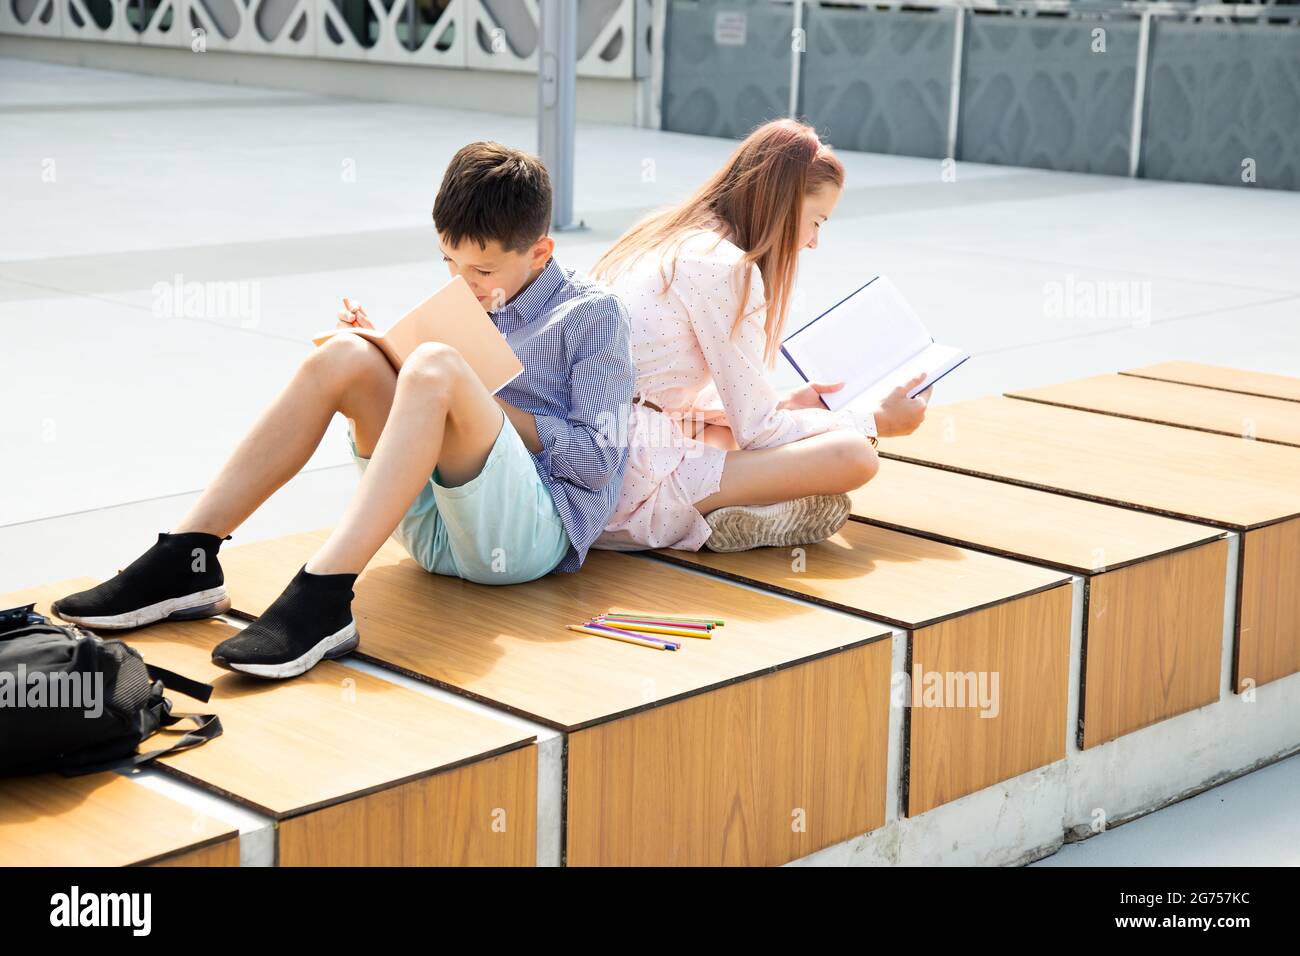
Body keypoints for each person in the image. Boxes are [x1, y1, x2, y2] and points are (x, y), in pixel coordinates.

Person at [52, 142, 634, 680]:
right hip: (438, 536)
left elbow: (599, 460)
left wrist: (473, 395)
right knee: (347, 357)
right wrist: (388, 353)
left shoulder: (593, 314)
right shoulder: (468, 294)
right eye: (449, 265)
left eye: (482, 271)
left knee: (434, 365)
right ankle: (188, 557)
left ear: (540, 251)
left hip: (525, 540)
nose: (465, 283)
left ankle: (325, 593)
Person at [590, 119, 930, 553]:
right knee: (855, 454)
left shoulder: (671, 235)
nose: (813, 243)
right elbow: (759, 433)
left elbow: (658, 385)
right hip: (626, 477)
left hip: (604, 443)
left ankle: (741, 504)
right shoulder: (724, 266)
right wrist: (875, 421)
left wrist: (785, 406)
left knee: (735, 437)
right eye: (817, 221)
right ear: (784, 206)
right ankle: (725, 507)